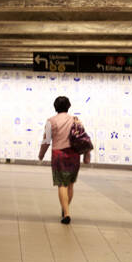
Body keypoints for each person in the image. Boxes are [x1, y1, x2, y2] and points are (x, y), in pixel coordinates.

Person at [37, 95, 90, 224]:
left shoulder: (51, 121)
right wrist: (86, 154)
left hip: (58, 155)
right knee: (70, 184)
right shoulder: (75, 120)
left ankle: (66, 213)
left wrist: (41, 154)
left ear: (55, 107)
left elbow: (46, 140)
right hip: (73, 155)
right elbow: (83, 137)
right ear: (69, 106)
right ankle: (65, 208)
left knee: (62, 184)